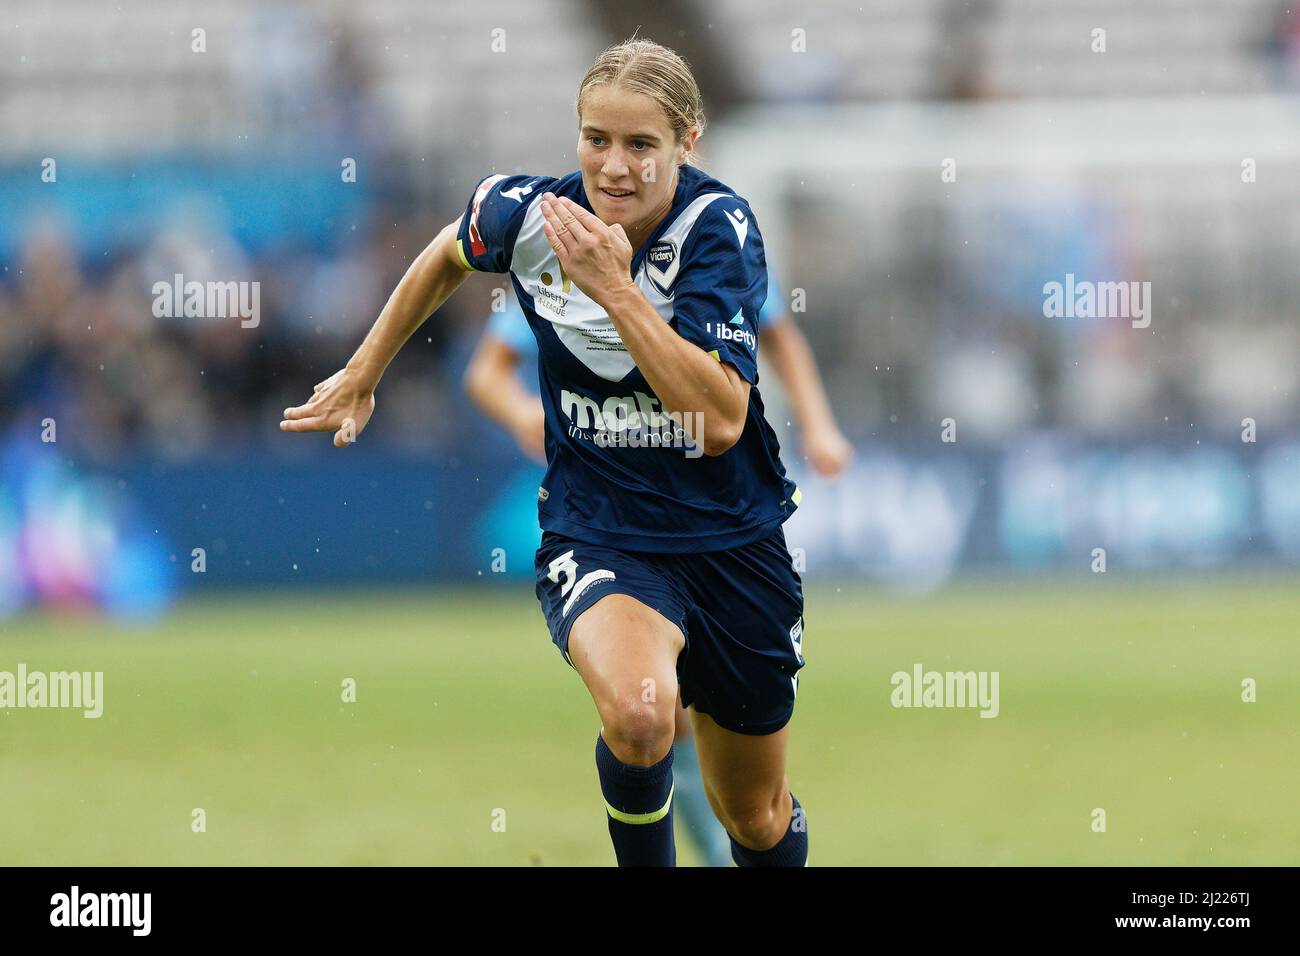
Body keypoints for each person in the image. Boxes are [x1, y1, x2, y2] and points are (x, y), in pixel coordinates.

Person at [282, 37, 809, 866]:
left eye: (642, 145)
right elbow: (448, 252)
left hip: (733, 541)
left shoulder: (719, 231)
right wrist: (364, 369)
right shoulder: (530, 214)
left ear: (687, 143)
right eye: (597, 139)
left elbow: (717, 421)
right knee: (640, 714)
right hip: (601, 529)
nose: (616, 166)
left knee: (754, 816)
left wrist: (615, 288)